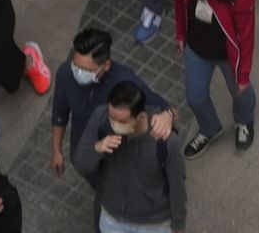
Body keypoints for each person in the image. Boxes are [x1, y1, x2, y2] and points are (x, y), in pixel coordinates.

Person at [49, 27, 174, 182]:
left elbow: (159, 105)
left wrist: (168, 114)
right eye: (76, 65)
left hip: (117, 155)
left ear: (106, 65)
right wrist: (57, 151)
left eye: (86, 70)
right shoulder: (65, 74)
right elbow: (59, 114)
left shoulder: (124, 80)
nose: (78, 73)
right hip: (84, 148)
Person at [172, 0, 258, 157]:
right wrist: (181, 35)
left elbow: (246, 37)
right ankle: (210, 128)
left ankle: (244, 121)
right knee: (195, 97)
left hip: (228, 56)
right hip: (196, 50)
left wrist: (243, 75)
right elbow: (179, 6)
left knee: (240, 92)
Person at [74, 82, 186, 233]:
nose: (114, 125)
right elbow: (81, 165)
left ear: (140, 116)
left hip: (153, 223)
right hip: (112, 217)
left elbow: (177, 185)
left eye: (122, 121)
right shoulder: (100, 117)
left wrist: (179, 224)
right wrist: (98, 148)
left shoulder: (166, 142)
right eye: (111, 117)